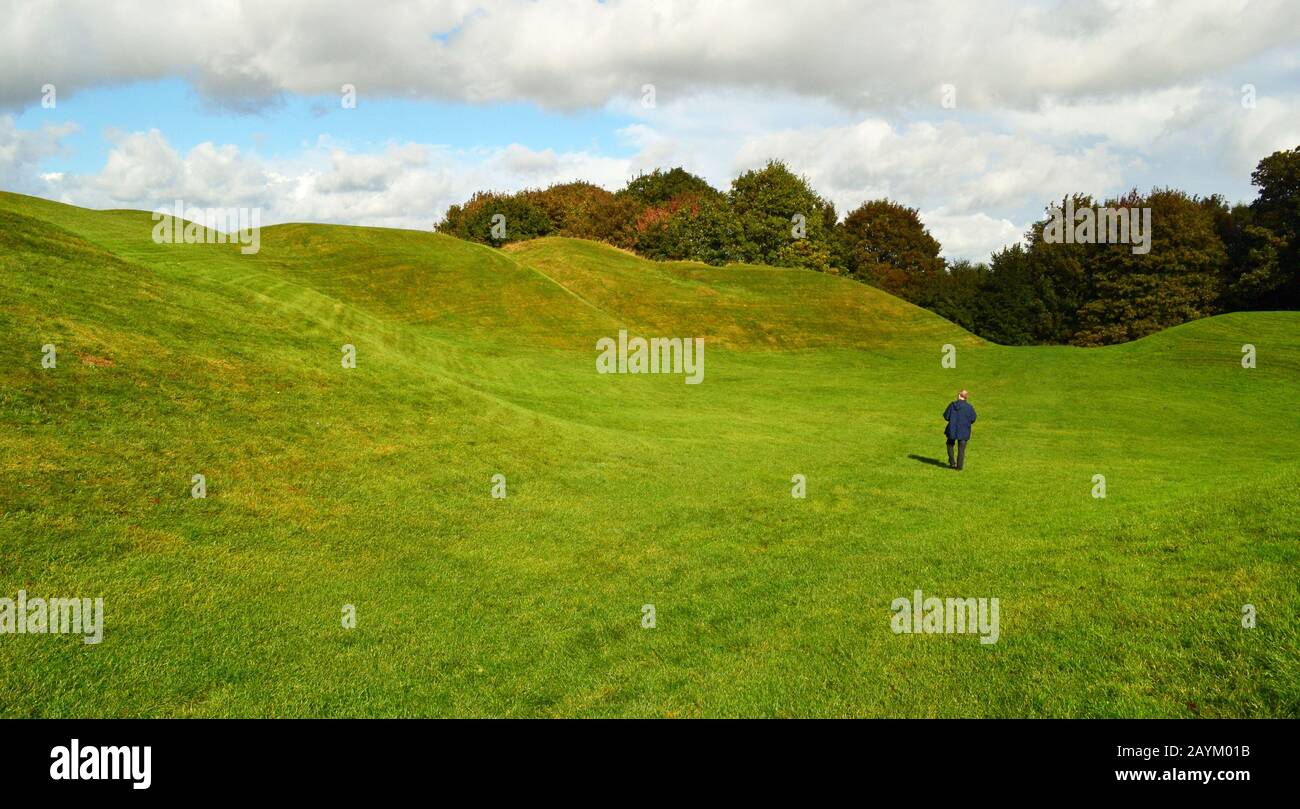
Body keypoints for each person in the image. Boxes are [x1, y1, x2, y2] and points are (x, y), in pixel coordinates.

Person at [943, 389, 977, 470]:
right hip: (964, 430)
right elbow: (973, 418)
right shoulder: (969, 407)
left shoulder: (952, 405)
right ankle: (959, 467)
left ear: (959, 395)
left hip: (952, 429)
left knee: (949, 444)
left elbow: (946, 417)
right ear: (966, 397)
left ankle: (952, 462)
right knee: (961, 449)